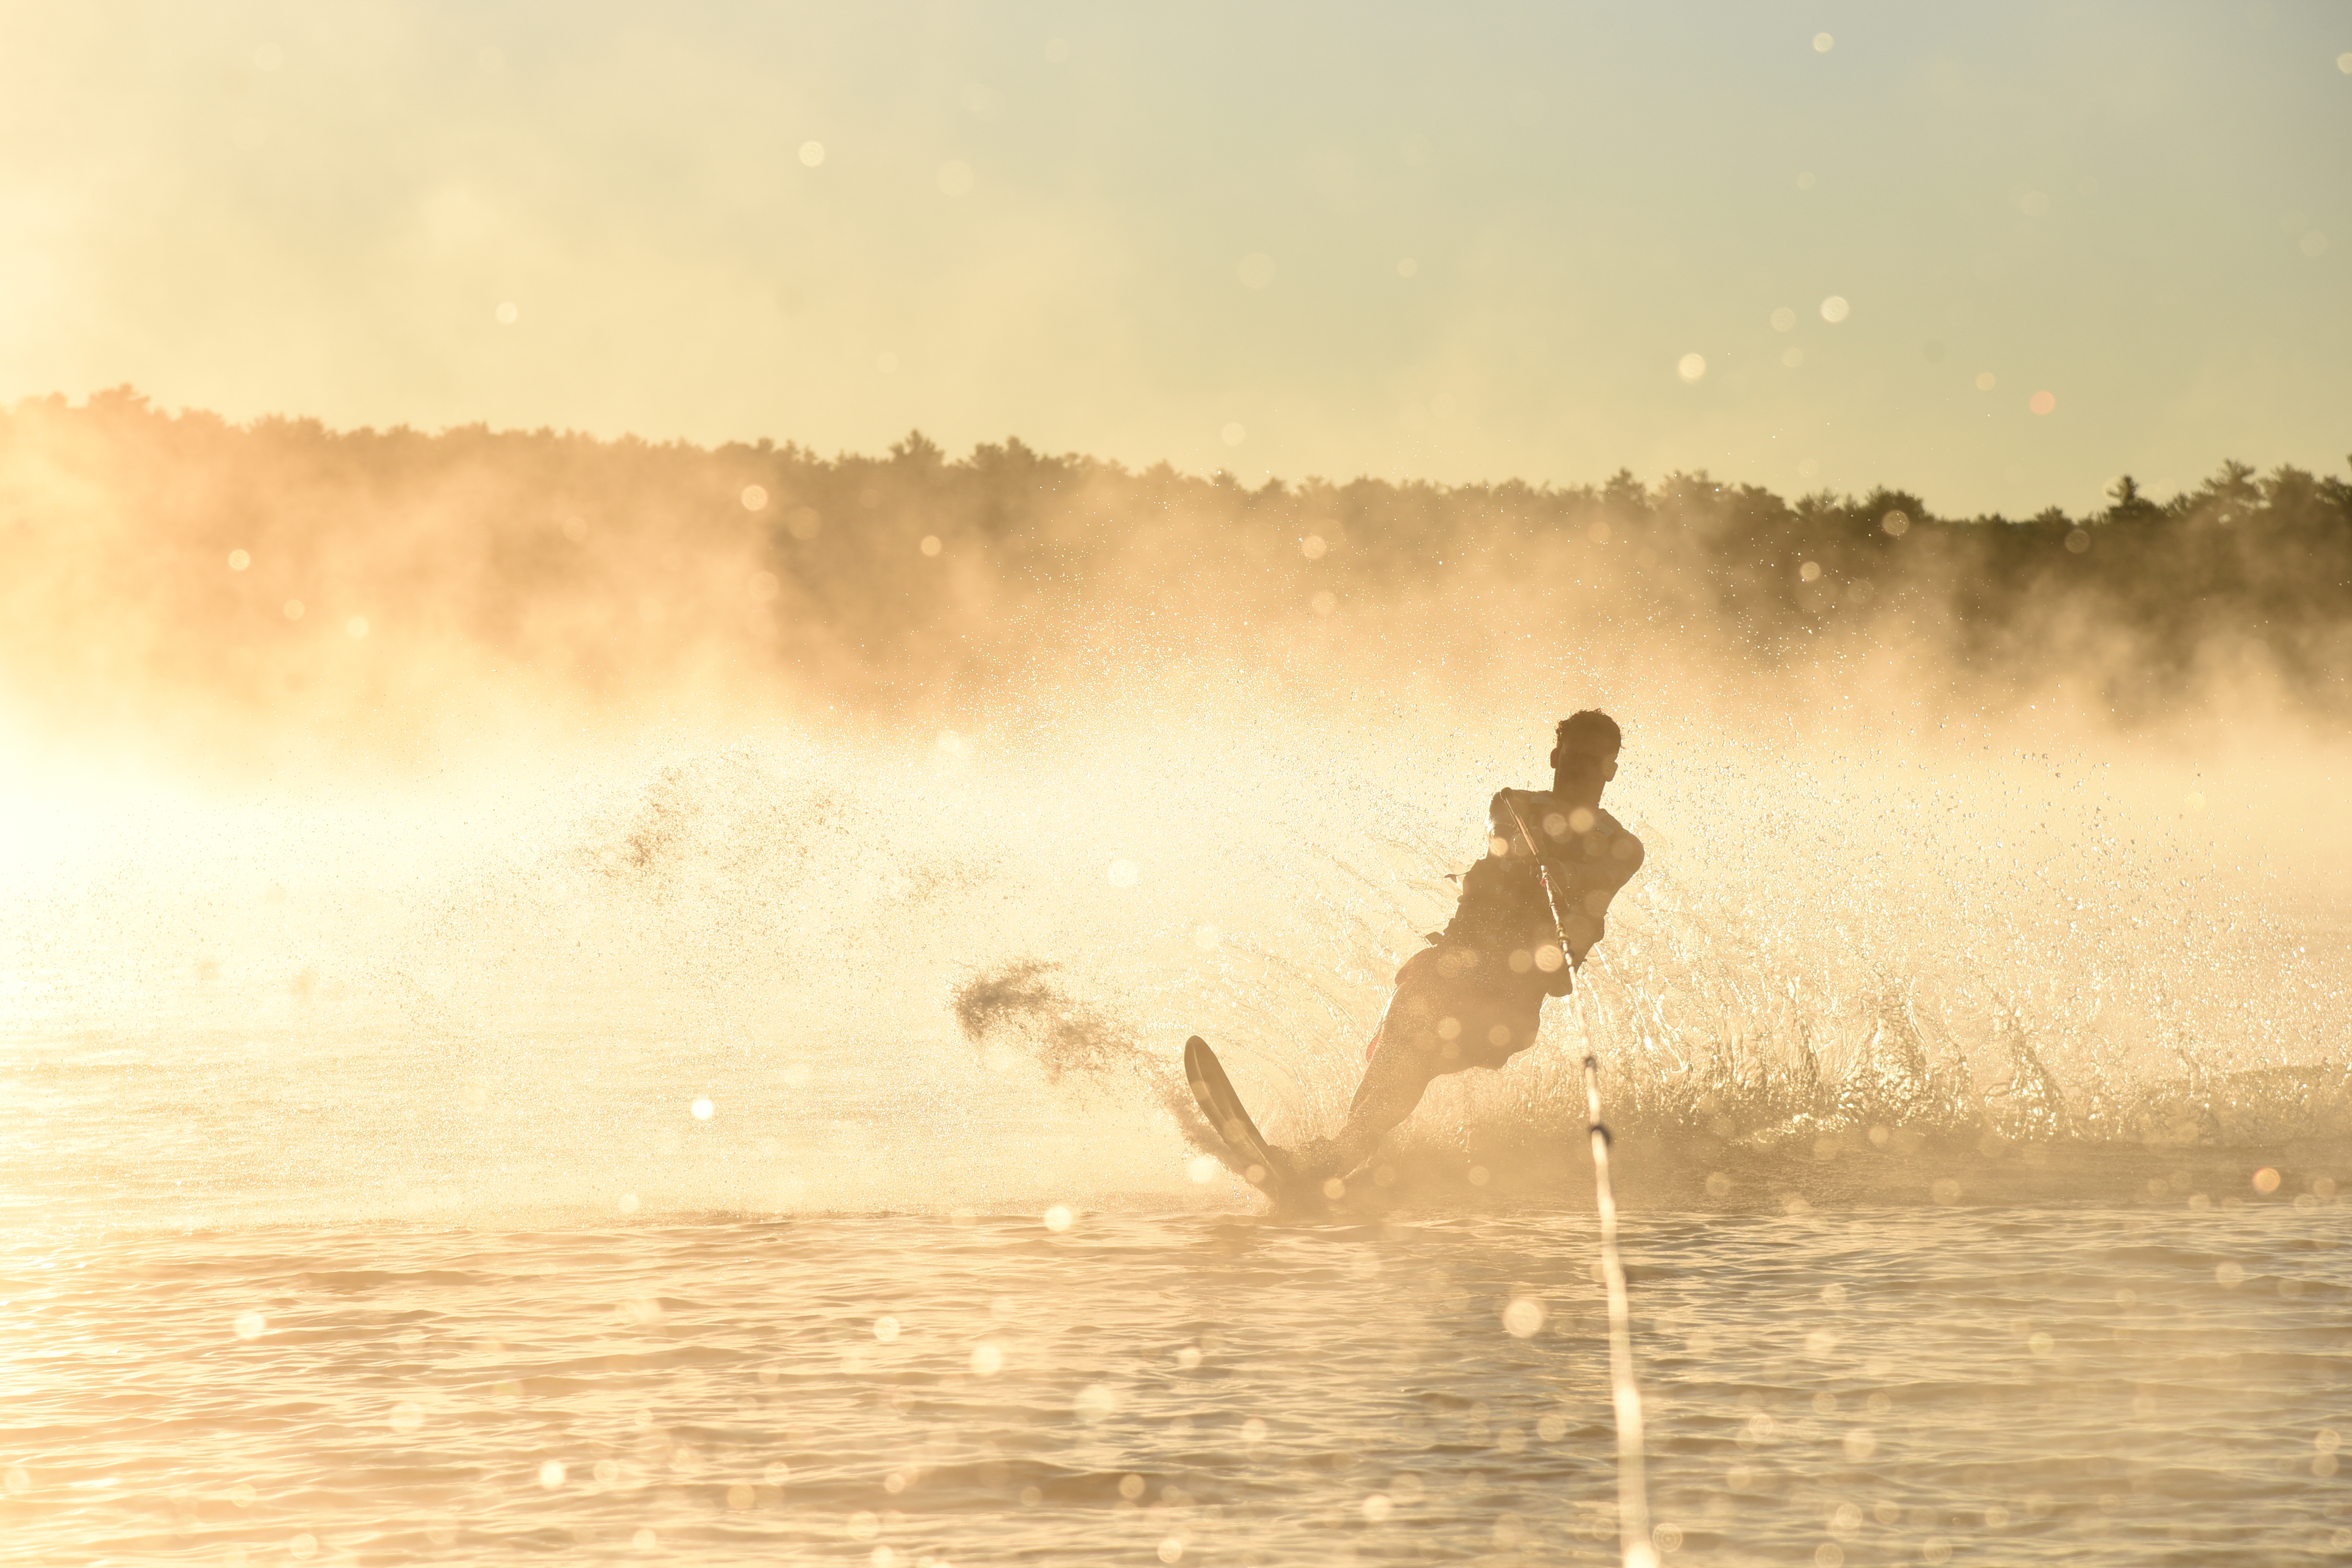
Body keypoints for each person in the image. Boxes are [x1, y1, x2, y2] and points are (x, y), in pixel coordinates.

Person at [1275, 710, 1645, 1189]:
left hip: (1511, 1004)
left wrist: (1567, 882)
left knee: (1415, 1059)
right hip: (1451, 969)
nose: (1583, 770)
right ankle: (1335, 1160)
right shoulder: (1514, 806)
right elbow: (1506, 836)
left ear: (1612, 769)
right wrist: (1536, 858)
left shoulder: (1622, 846)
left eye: (1596, 762)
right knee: (1402, 1049)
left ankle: (1333, 1162)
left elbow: (1599, 886)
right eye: (1575, 759)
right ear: (1556, 757)